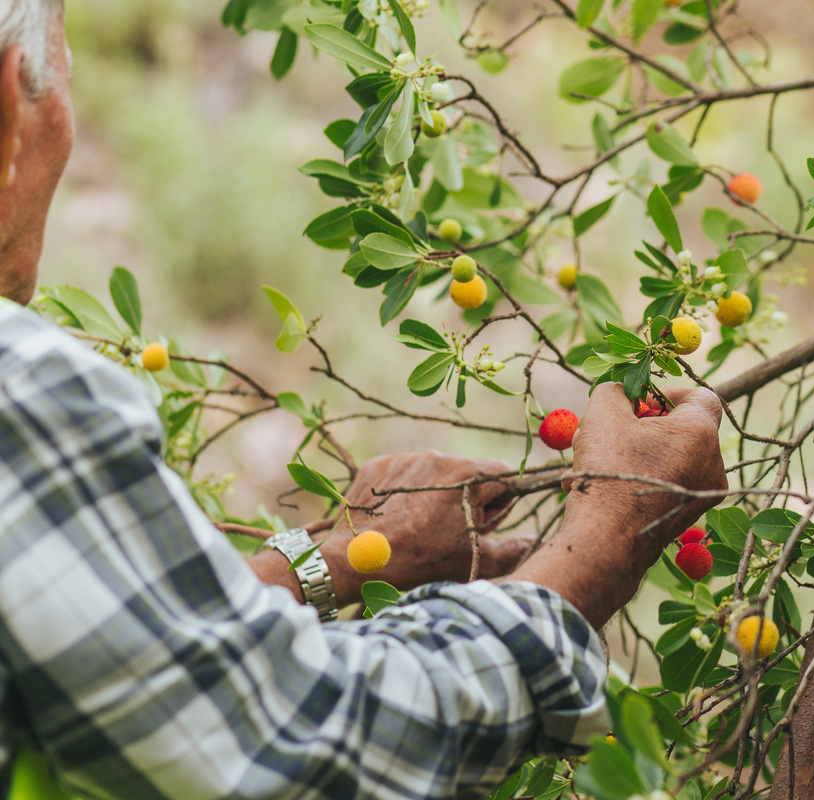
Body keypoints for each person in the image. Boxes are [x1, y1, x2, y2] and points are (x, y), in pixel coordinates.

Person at [0, 2, 729, 797]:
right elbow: (301, 747)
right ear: (13, 110)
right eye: (64, 85)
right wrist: (608, 534)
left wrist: (334, 559)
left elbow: (120, 647)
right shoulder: (18, 383)